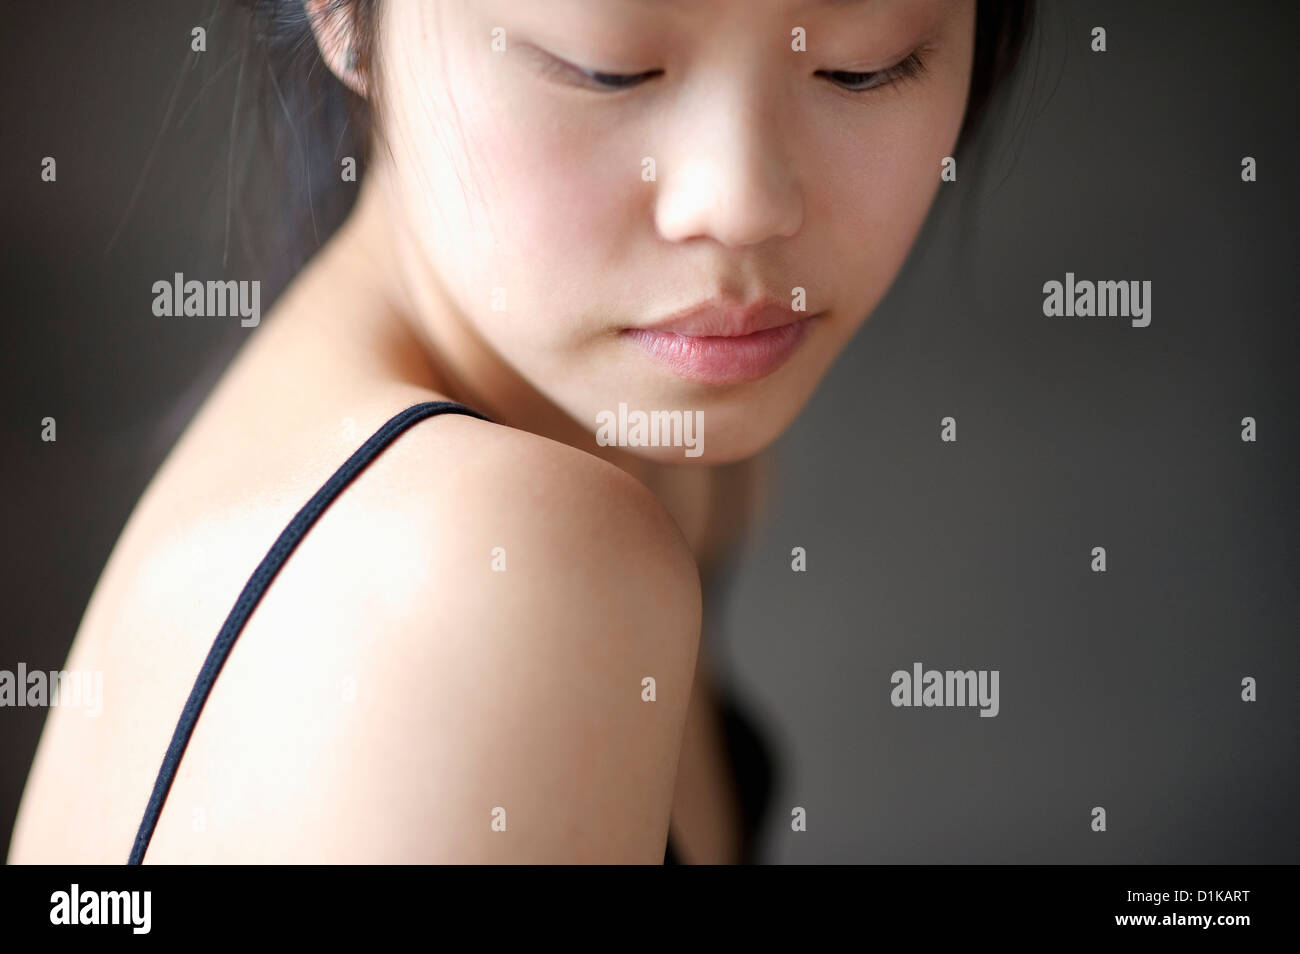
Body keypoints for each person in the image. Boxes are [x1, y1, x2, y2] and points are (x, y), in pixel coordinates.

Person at [8, 0, 1033, 864]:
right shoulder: (499, 561)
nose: (743, 204)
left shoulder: (664, 455)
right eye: (609, 70)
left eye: (865, 68)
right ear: (346, 19)